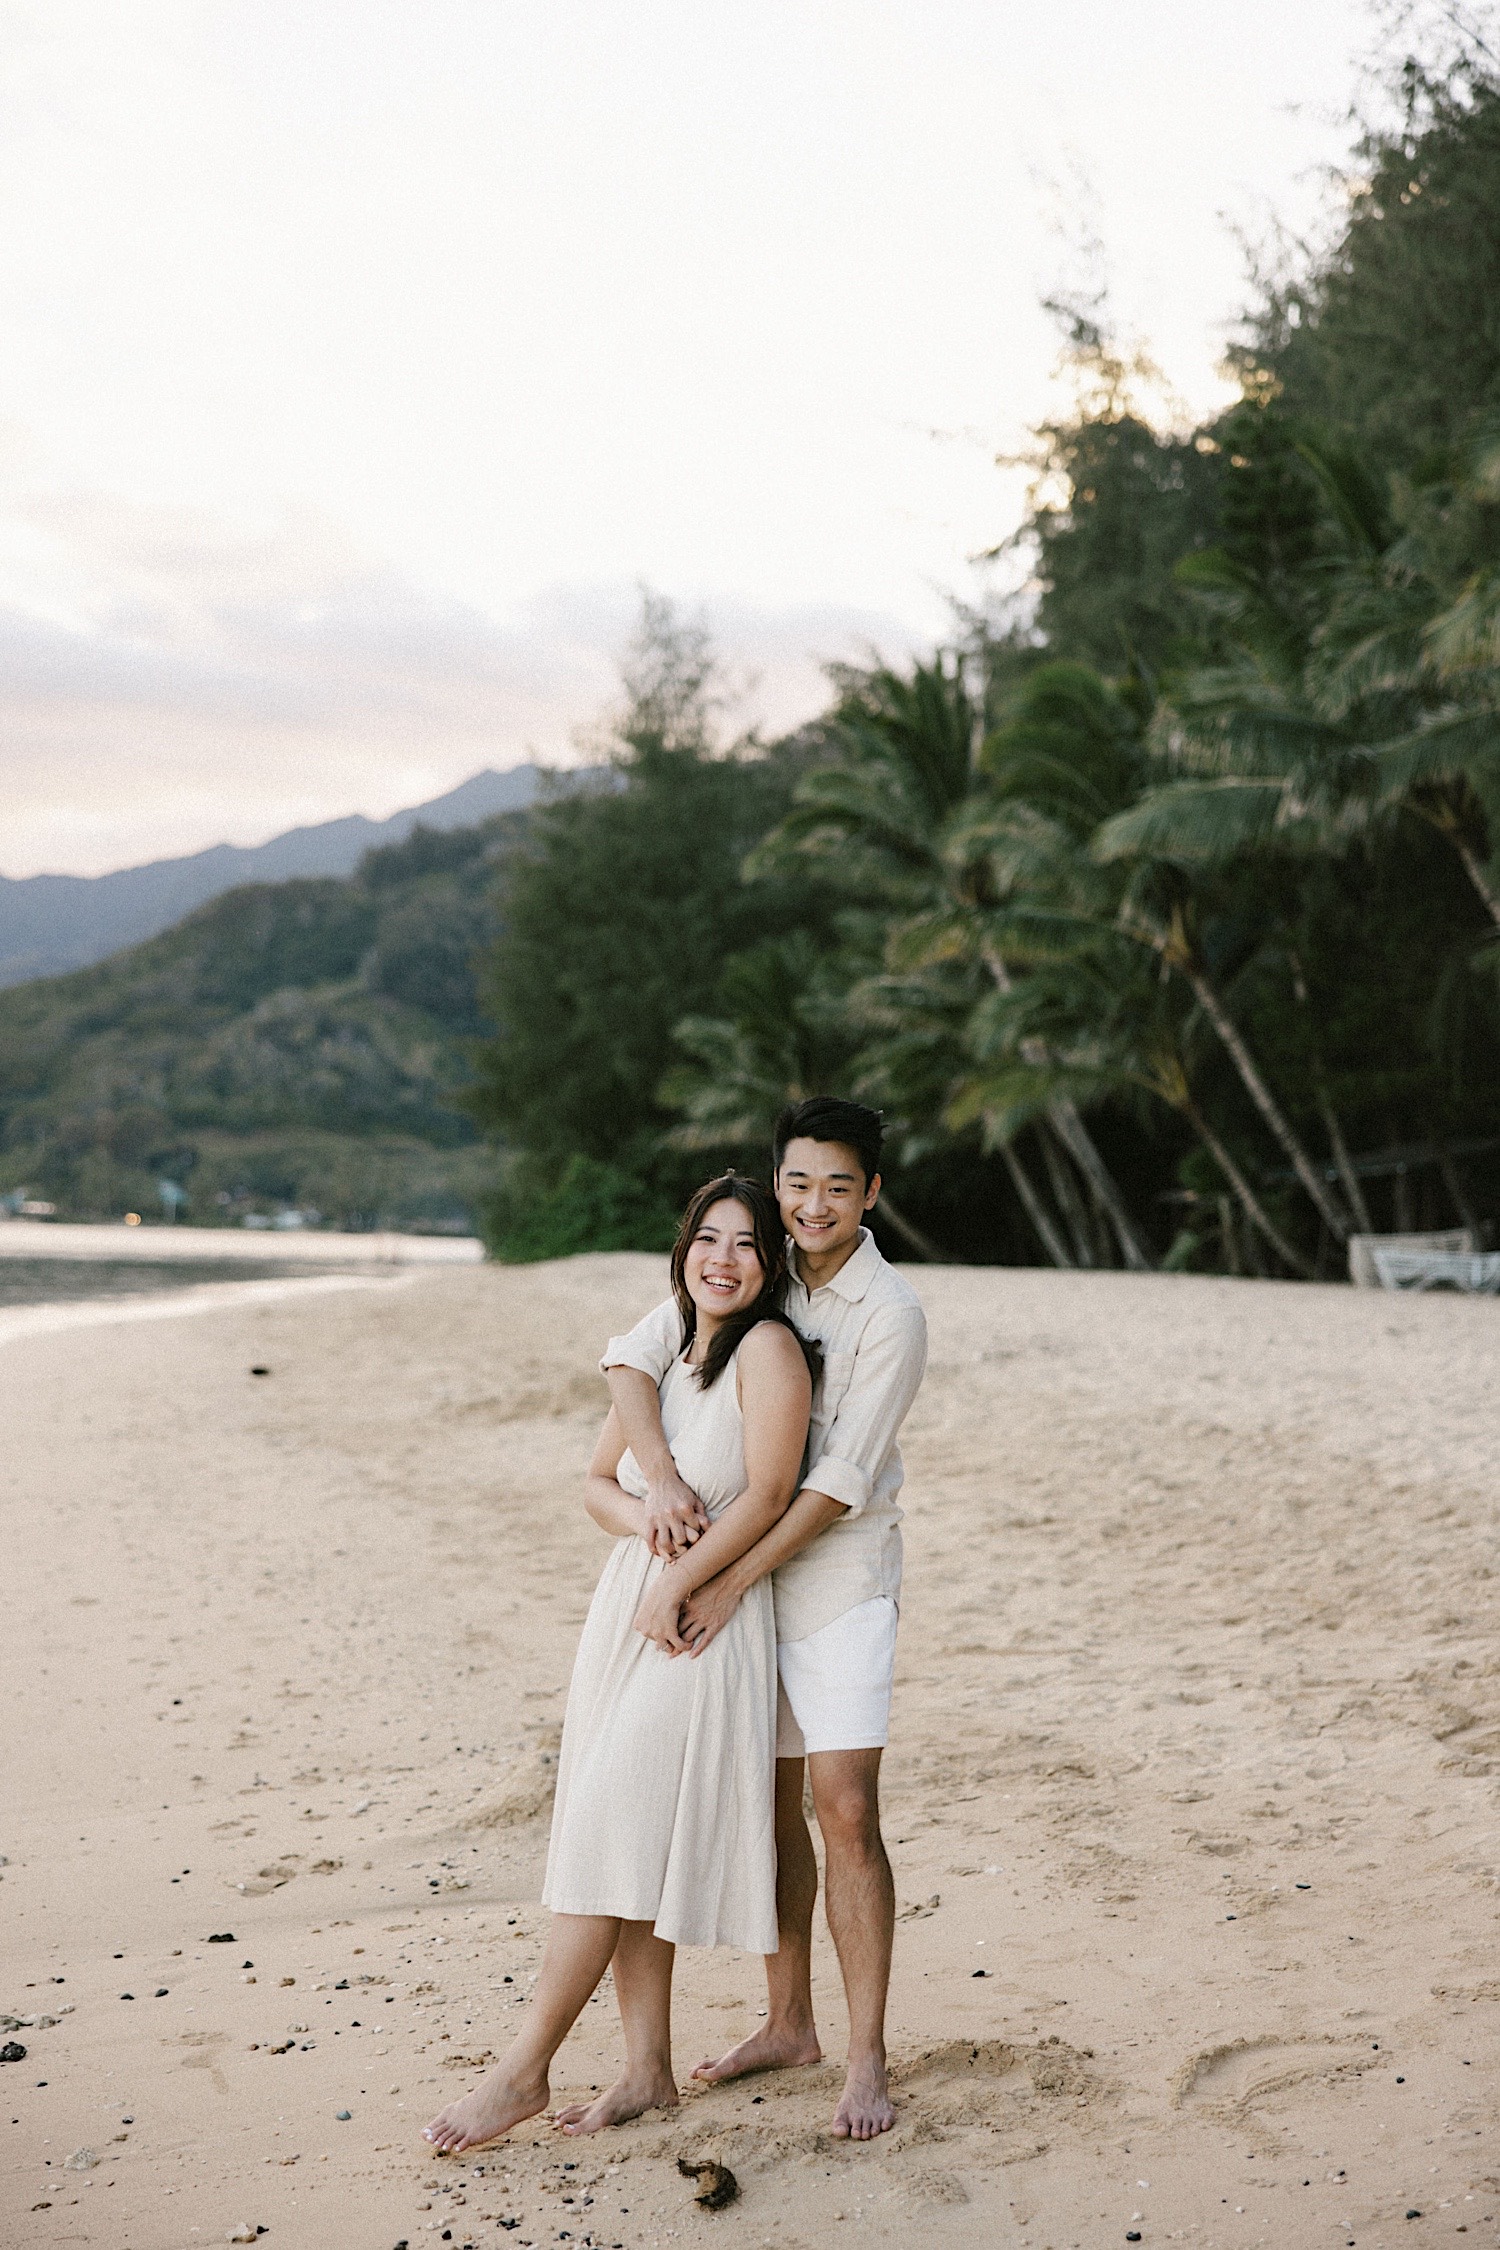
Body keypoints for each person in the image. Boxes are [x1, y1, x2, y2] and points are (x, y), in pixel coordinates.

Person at [424, 1175, 817, 2155]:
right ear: (683, 1250)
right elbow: (598, 1483)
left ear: (771, 1266)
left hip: (703, 1623)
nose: (722, 1260)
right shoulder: (673, 1349)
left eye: (746, 1245)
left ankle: (523, 2069)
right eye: (707, 1240)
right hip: (630, 1613)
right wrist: (652, 1512)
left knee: (610, 1834)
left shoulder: (769, 1350)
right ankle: (646, 2070)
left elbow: (769, 1497)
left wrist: (678, 1573)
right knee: (628, 1842)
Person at [603, 1096, 928, 2140]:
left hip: (836, 1582)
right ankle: (790, 2022)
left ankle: (867, 2058)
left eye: (838, 1186)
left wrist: (729, 1579)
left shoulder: (892, 1315)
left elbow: (833, 1486)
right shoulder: (756, 1263)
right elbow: (631, 1358)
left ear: (871, 1192)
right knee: (771, 1801)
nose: (813, 1205)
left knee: (844, 1811)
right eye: (798, 1183)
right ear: (777, 1181)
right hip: (738, 1570)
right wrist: (654, 1478)